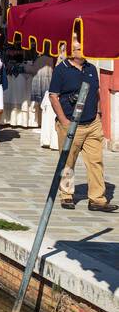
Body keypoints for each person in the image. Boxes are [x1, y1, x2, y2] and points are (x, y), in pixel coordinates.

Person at [48, 36, 117, 212]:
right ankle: (67, 195)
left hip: (92, 123)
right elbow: (53, 96)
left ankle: (97, 199)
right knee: (68, 161)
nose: (83, 51)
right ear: (72, 51)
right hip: (71, 124)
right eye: (80, 49)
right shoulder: (61, 70)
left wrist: (99, 114)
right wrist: (64, 120)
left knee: (96, 161)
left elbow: (98, 92)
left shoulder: (91, 68)